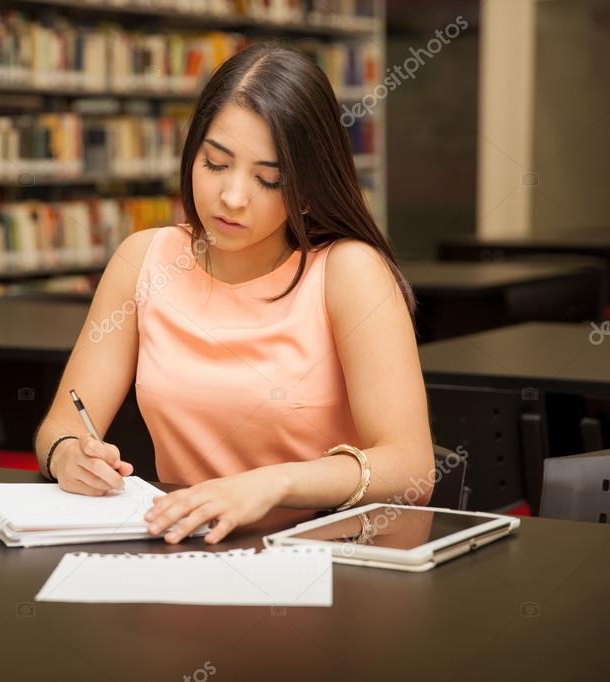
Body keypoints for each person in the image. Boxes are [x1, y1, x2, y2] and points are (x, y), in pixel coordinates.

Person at [33, 43, 434, 545]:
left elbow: (410, 466)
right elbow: (61, 425)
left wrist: (271, 484)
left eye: (269, 179)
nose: (233, 197)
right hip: (187, 550)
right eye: (216, 164)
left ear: (307, 187)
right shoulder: (144, 260)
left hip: (322, 561)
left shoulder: (348, 271)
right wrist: (68, 454)